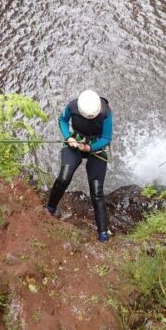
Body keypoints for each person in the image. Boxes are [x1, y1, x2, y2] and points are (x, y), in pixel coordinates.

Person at [46, 90, 113, 242]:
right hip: (75, 140)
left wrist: (90, 148)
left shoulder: (106, 113)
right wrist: (68, 137)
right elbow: (62, 120)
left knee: (96, 191)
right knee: (64, 177)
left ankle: (103, 233)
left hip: (96, 146)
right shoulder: (73, 106)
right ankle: (50, 208)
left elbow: (107, 137)